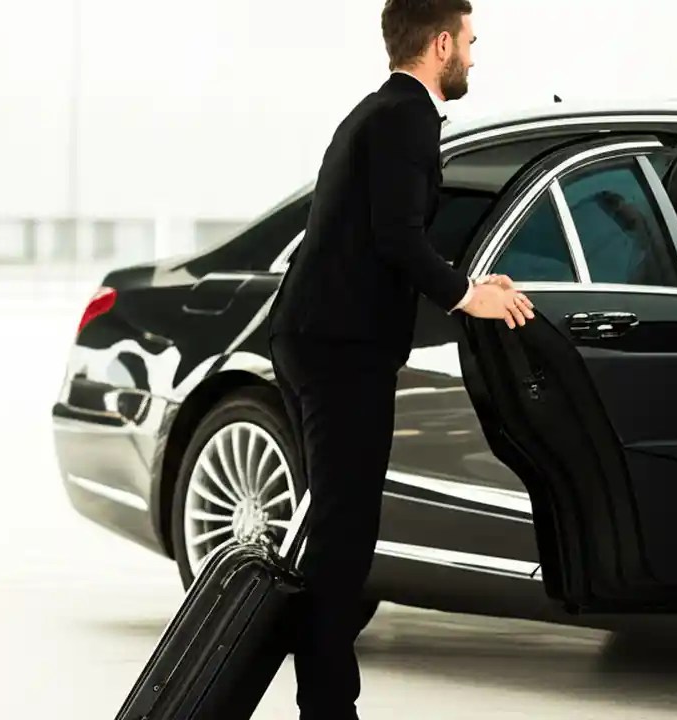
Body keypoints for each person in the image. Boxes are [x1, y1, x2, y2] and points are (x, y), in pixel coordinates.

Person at [267, 1, 532, 717]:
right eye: (469, 41)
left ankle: (324, 698)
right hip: (340, 349)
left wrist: (469, 283)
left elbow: (377, 237)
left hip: (317, 337)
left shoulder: (378, 112)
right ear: (441, 44)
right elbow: (398, 238)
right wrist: (467, 298)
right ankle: (328, 707)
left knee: (336, 528)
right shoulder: (407, 117)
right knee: (344, 537)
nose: (473, 55)